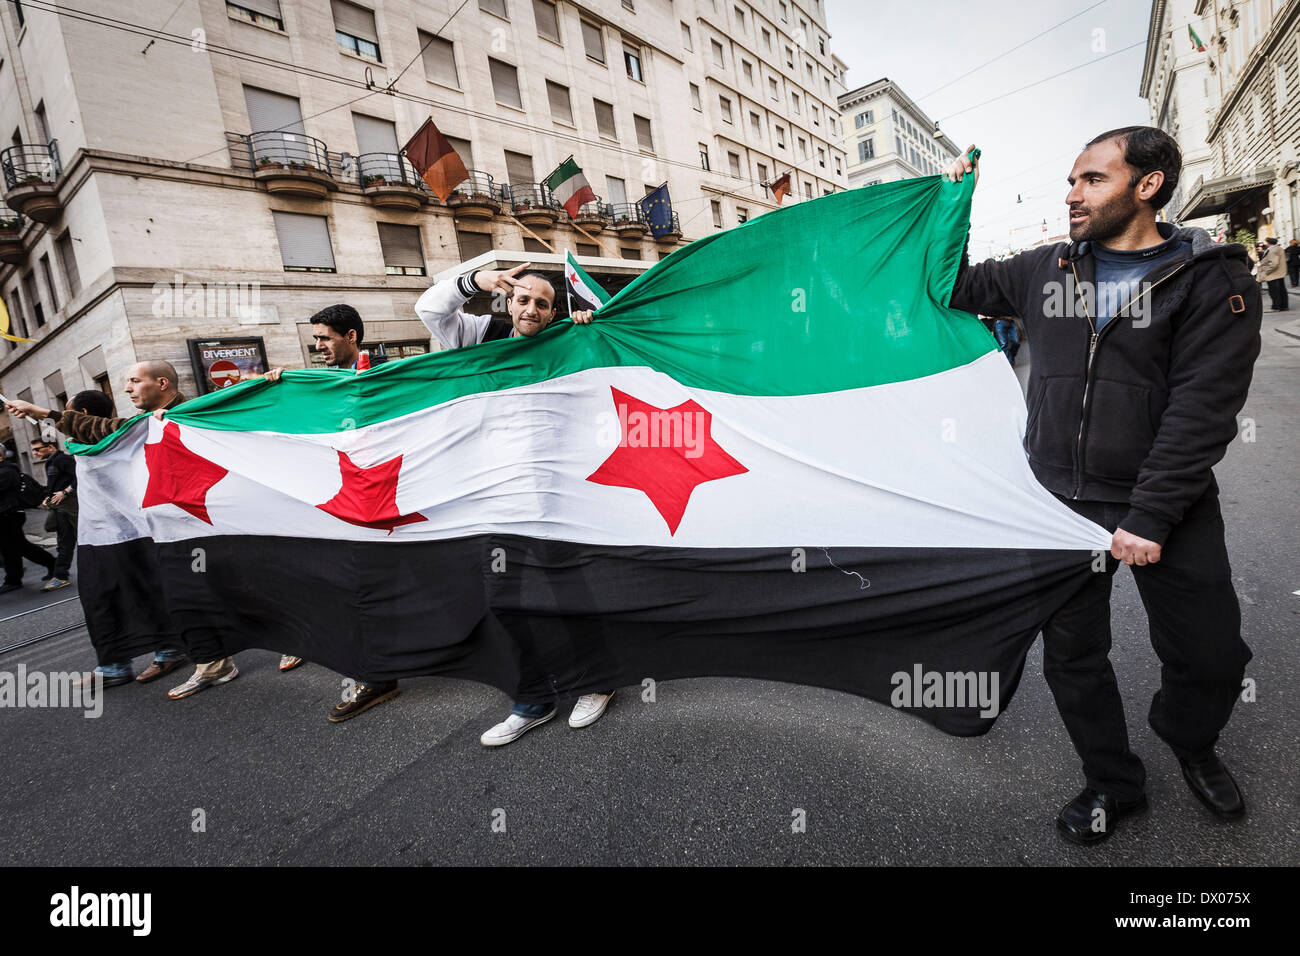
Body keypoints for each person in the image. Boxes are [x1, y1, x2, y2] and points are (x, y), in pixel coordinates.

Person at [944, 126, 1260, 845]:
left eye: (1092, 179)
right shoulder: (1042, 267)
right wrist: (951, 205)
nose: (1071, 193)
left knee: (1212, 655)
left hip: (1164, 503)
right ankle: (1113, 782)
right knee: (1074, 657)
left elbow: (1202, 409)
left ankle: (1190, 739)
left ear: (1146, 186)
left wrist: (1150, 516)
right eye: (1072, 179)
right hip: (1056, 501)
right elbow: (952, 286)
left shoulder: (1214, 279)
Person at [414, 263, 615, 746]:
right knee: (506, 602)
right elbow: (429, 309)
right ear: (507, 302)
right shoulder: (481, 333)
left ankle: (596, 682)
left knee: (571, 594)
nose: (531, 309)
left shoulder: (567, 339)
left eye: (543, 303)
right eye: (523, 299)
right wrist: (474, 282)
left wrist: (592, 331)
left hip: (559, 496)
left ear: (553, 311)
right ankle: (532, 700)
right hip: (493, 498)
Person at [6, 369, 237, 692]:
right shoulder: (116, 432)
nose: (127, 389)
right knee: (102, 596)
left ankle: (187, 654)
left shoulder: (146, 427)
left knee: (167, 589)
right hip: (102, 534)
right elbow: (98, 430)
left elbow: (106, 430)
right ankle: (115, 663)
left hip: (152, 527)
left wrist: (270, 380)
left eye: (134, 381)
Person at [0, 446, 58, 594]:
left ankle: (52, 564)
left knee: (19, 546)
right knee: (10, 549)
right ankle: (13, 579)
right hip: (6, 515)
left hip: (10, 515)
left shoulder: (7, 472)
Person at [30, 437, 76, 591]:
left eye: (37, 449)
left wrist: (66, 491)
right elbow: (56, 483)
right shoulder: (52, 461)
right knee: (65, 542)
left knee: (67, 542)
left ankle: (61, 576)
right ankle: (60, 575)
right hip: (61, 508)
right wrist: (48, 497)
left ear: (50, 447)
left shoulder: (62, 460)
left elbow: (81, 475)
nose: (34, 453)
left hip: (69, 508)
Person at [1258, 237, 1288, 311]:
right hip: (1280, 273)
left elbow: (1273, 264)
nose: (1265, 244)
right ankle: (1284, 306)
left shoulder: (1272, 250)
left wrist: (1266, 271)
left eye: (1265, 242)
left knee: (1274, 291)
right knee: (1281, 290)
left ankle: (1276, 307)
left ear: (1268, 243)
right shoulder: (1279, 248)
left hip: (1273, 274)